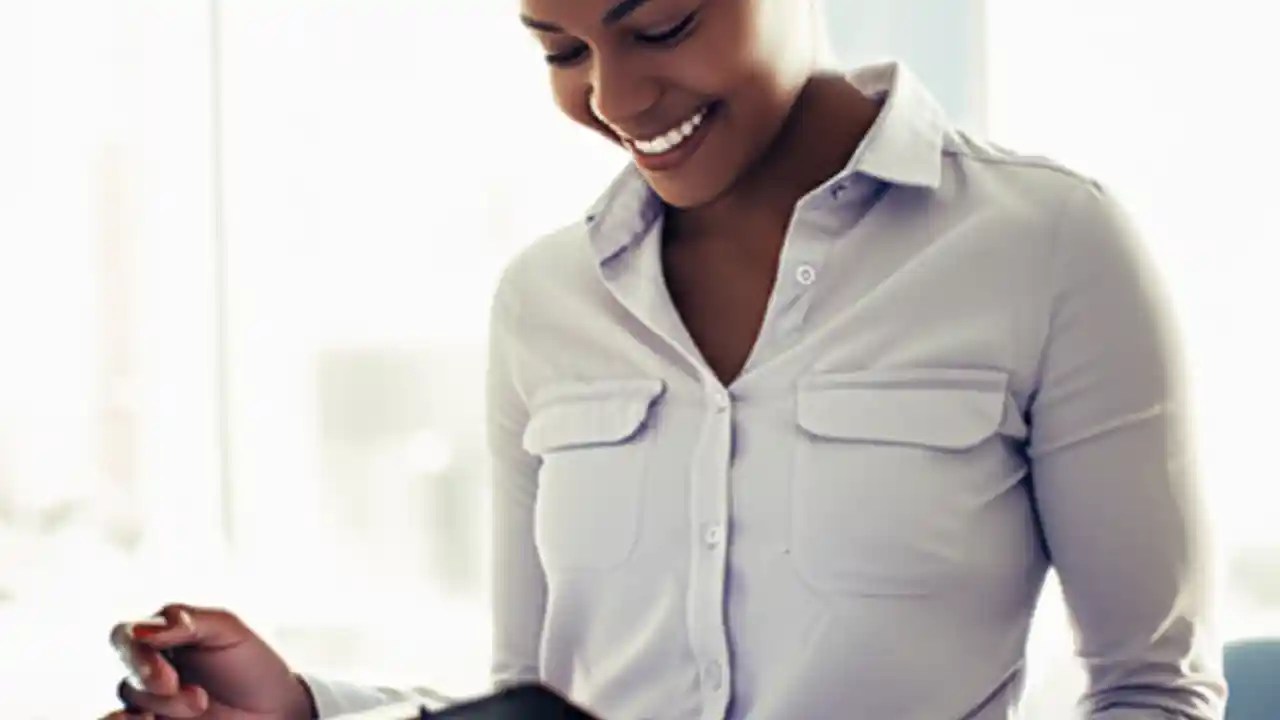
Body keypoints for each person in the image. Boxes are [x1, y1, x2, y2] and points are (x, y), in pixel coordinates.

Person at [103, 0, 1230, 718]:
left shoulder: (1044, 244)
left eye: (660, 25)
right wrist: (301, 710)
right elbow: (533, 706)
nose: (611, 97)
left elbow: (1151, 690)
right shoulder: (545, 301)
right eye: (560, 49)